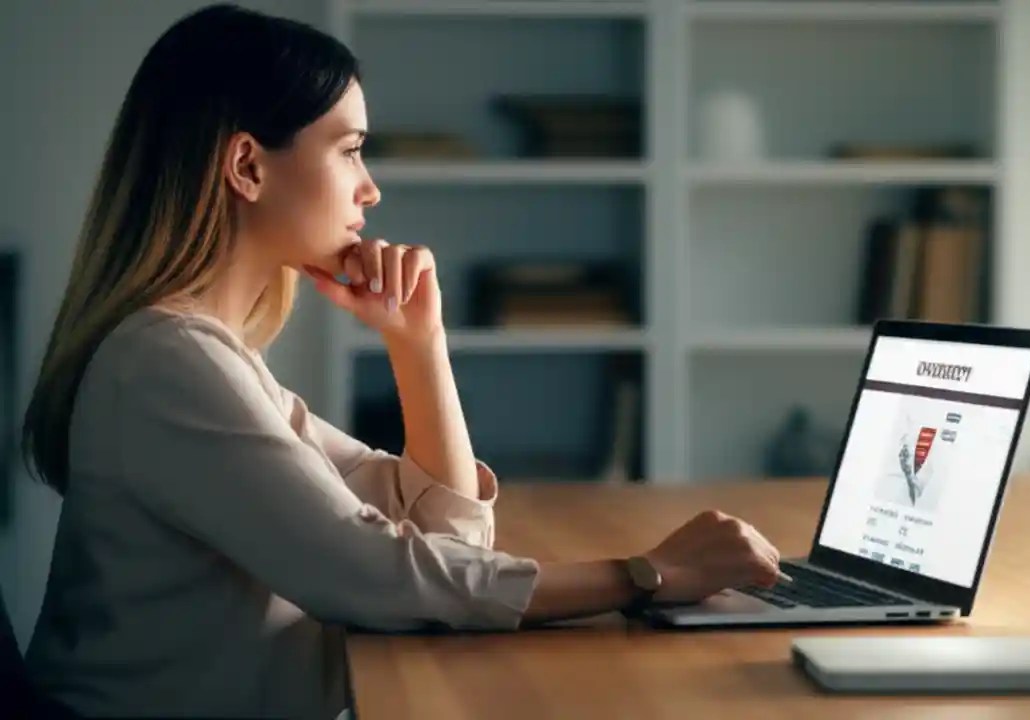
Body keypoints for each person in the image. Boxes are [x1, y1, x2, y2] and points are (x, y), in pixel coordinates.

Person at [19, 5, 783, 718]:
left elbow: (444, 546)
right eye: (350, 150)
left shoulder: (213, 359)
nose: (371, 189)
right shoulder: (167, 362)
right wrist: (647, 575)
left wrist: (420, 347)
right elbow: (377, 578)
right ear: (247, 167)